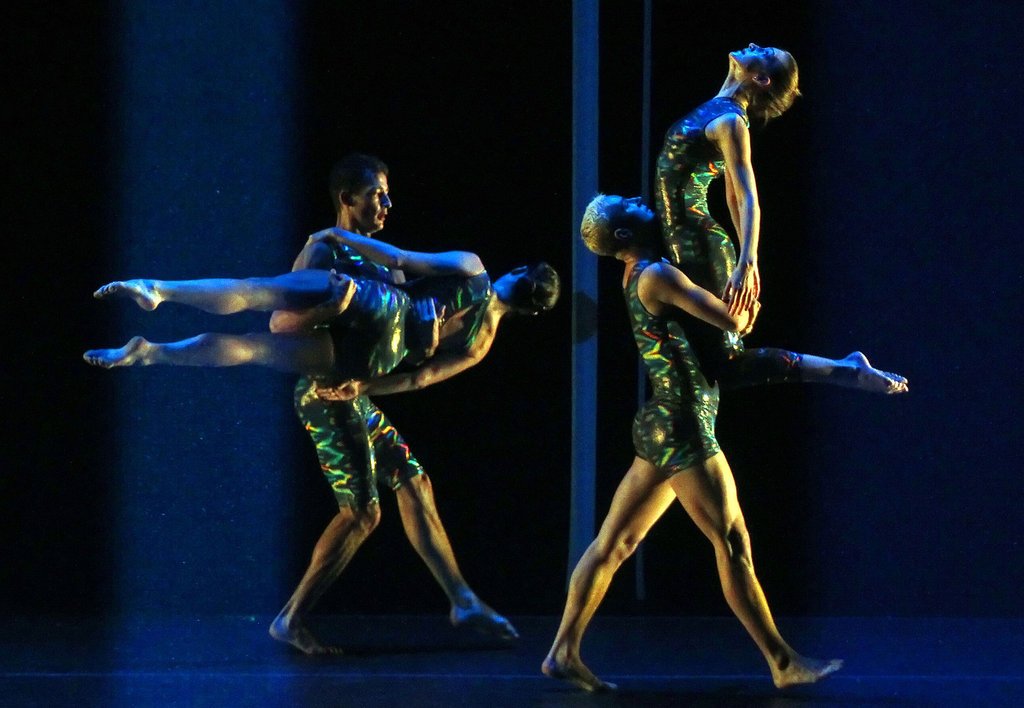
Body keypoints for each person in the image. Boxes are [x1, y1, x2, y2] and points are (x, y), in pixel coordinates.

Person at [87, 154, 557, 654]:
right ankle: (152, 341)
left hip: (357, 357)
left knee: (260, 327)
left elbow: (392, 269)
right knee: (390, 489)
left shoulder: (443, 267)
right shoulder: (479, 339)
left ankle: (158, 305)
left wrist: (338, 259)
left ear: (519, 274)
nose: (386, 205)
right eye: (378, 195)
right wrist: (358, 376)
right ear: (347, 198)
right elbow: (410, 370)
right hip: (351, 375)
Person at [542, 192, 905, 691]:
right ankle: (782, 662)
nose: (637, 198)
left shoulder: (640, 273)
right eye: (626, 204)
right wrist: (744, 286)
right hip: (684, 423)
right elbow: (732, 322)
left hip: (661, 422)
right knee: (731, 540)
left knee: (615, 542)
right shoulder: (656, 275)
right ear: (622, 236)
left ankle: (563, 650)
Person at [653, 44, 904, 394]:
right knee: (704, 358)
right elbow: (729, 196)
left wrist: (747, 262)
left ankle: (844, 370)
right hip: (688, 241)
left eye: (766, 52)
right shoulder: (718, 108)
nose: (754, 44)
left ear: (761, 78)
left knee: (724, 365)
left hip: (700, 246)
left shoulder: (730, 122)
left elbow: (747, 197)